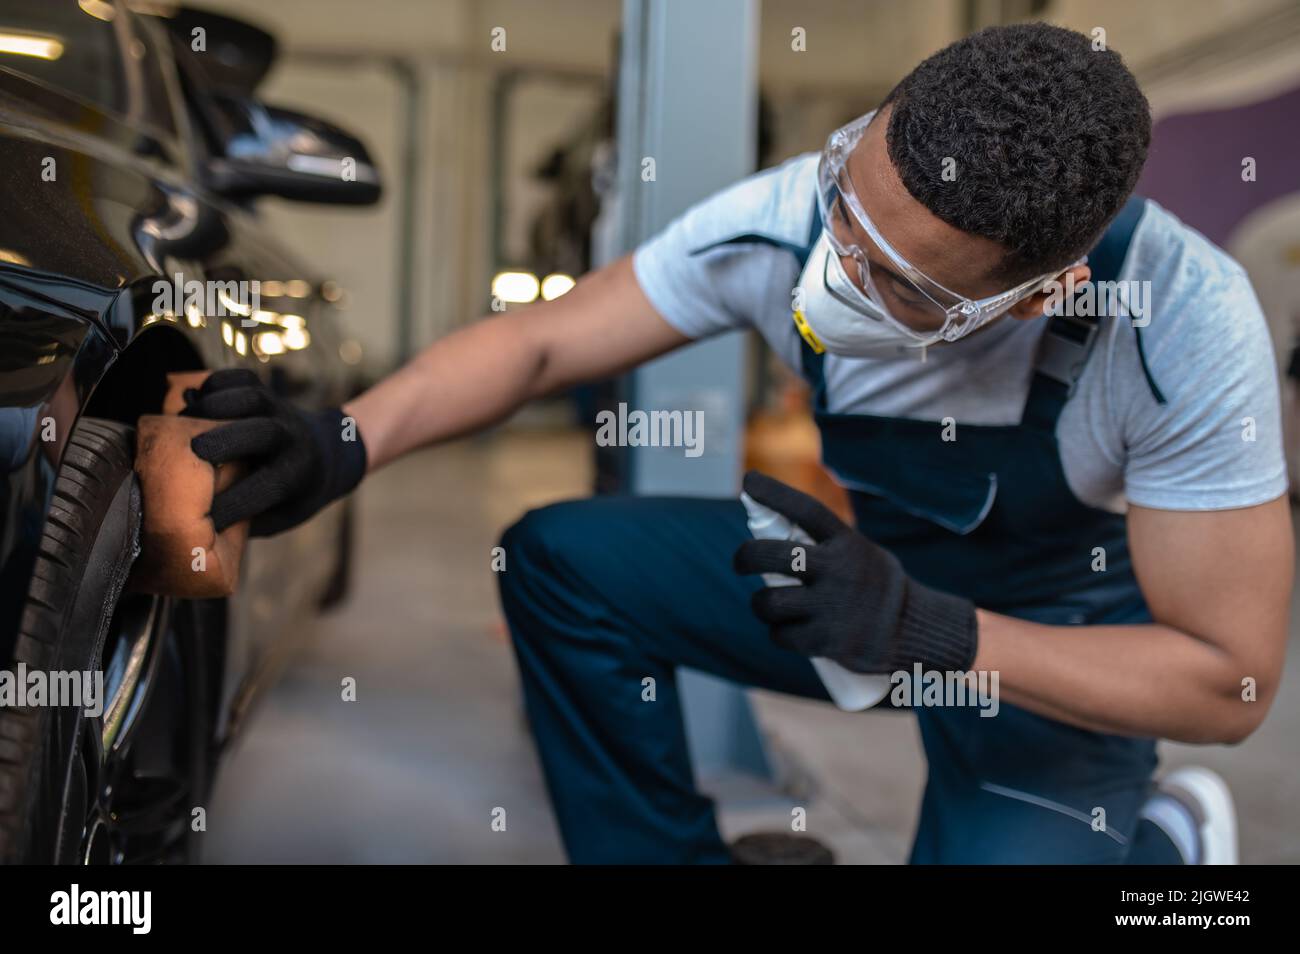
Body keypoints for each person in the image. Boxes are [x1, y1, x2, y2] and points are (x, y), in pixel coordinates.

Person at [182, 23, 1291, 864]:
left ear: (1044, 293)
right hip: (861, 586)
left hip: (1053, 651)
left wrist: (930, 632)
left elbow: (1226, 684)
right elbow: (540, 343)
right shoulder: (791, 216)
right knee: (565, 562)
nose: (832, 268)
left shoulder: (1186, 326)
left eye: (893, 283)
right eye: (844, 203)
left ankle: (1158, 850)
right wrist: (342, 441)